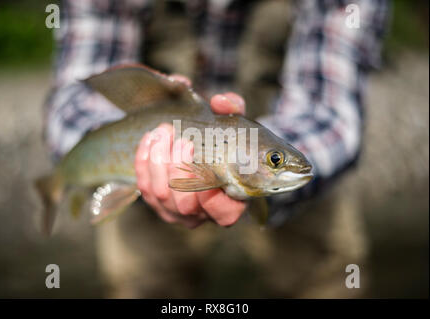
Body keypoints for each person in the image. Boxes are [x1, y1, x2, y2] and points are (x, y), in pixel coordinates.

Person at [44, 0, 389, 297]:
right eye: (274, 160)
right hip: (147, 148)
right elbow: (75, 98)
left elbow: (330, 111)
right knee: (146, 284)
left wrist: (273, 164)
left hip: (291, 131)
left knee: (325, 281)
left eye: (275, 160)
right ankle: (61, 185)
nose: (277, 163)